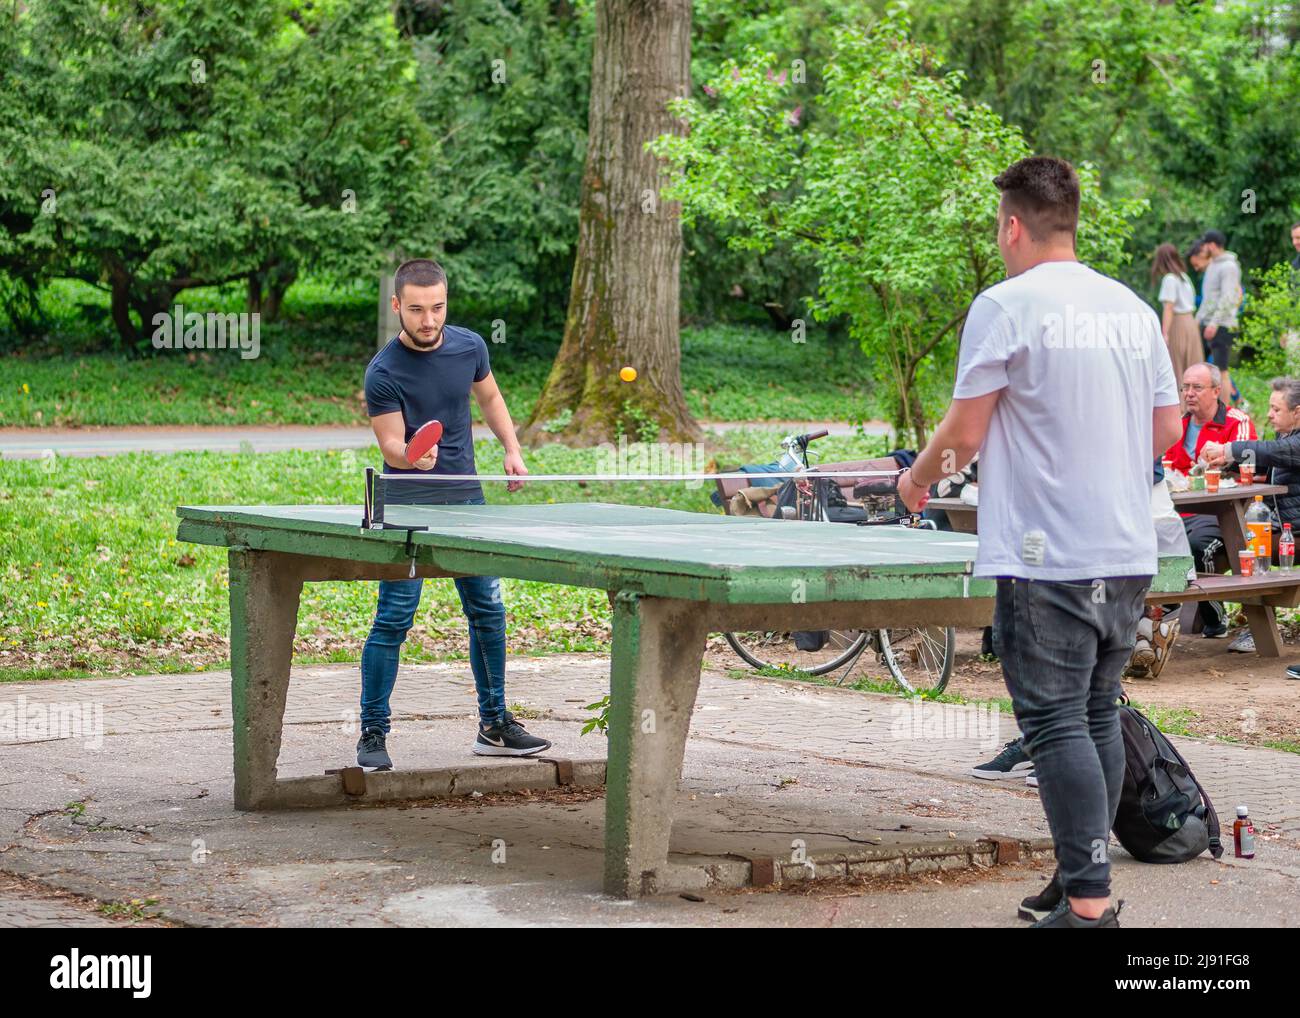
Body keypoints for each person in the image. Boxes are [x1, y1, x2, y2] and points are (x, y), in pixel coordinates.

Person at [898, 155, 1182, 927]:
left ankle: (1089, 903)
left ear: (1013, 225)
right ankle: (1075, 875)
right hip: (1125, 550)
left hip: (1043, 556)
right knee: (1094, 715)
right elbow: (1167, 429)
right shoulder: (1129, 308)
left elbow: (964, 432)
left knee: (1056, 722)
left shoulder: (1005, 306)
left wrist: (918, 480)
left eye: (999, 227)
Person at [356, 258, 551, 771]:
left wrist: (512, 447)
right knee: (394, 618)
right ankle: (373, 732)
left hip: (466, 501)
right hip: (406, 506)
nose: (428, 319)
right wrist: (408, 458)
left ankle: (494, 725)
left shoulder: (470, 346)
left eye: (437, 307)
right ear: (397, 306)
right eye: (417, 309)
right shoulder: (383, 371)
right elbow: (392, 442)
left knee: (487, 609)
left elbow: (489, 396)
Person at [1200, 377, 1300, 654]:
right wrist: (1231, 464)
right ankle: (1243, 624)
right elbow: (1272, 460)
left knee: (1245, 549)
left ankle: (1259, 629)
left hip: (1295, 533)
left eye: (1275, 409)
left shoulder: (1292, 442)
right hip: (1284, 528)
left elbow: (1275, 452)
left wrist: (1228, 449)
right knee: (1229, 547)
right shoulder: (1287, 436)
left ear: (1297, 412)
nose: (1268, 414)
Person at [1164, 362, 1257, 644]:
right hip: (1178, 512)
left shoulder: (1235, 422)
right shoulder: (1176, 425)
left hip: (1223, 513)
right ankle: (1164, 614)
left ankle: (1215, 616)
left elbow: (1247, 467)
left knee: (1198, 548)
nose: (1189, 394)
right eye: (1185, 387)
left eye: (1197, 387)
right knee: (1161, 545)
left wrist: (1222, 462)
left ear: (1217, 390)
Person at [1195, 229, 1243, 403]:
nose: (1204, 248)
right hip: (1207, 322)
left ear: (1212, 245)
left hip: (1222, 324)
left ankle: (1225, 410)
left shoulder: (1229, 266)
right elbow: (1208, 299)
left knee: (1221, 370)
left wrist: (1214, 323)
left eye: (1205, 244)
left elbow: (1228, 297)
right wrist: (1198, 320)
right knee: (1205, 368)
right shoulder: (1213, 265)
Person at [1151, 243, 1201, 383]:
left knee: (1177, 369)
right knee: (1192, 366)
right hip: (1190, 323)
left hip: (1178, 324)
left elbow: (1169, 307)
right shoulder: (1185, 278)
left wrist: (1164, 333)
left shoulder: (1169, 279)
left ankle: (1181, 404)